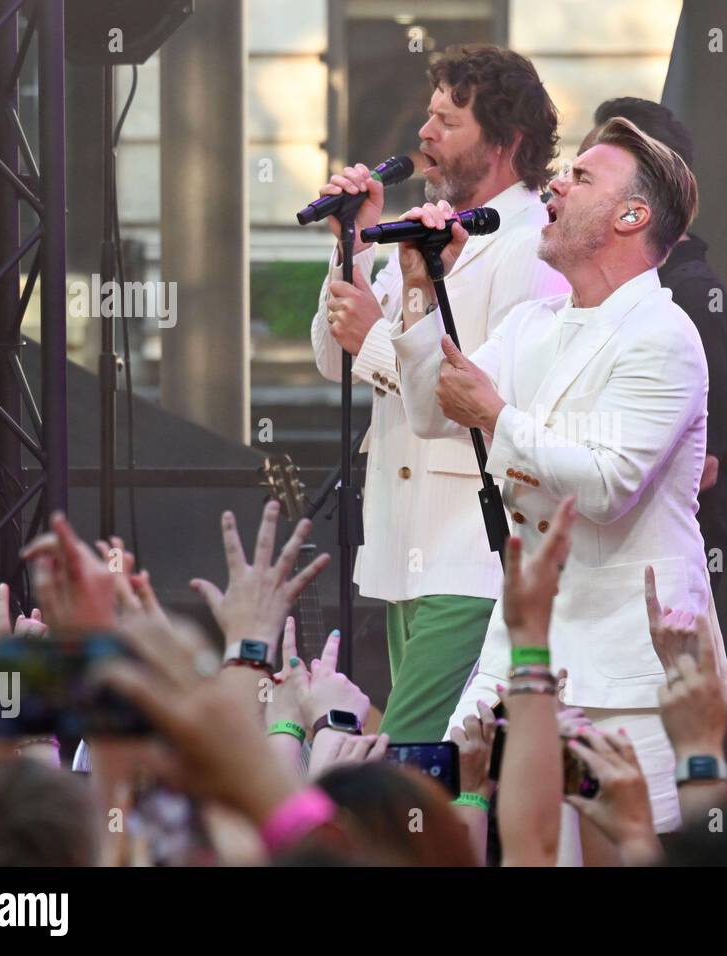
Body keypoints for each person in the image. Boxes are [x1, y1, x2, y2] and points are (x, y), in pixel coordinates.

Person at [389, 116, 727, 834]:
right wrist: (423, 289)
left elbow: (606, 490)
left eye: (582, 177)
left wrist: (497, 417)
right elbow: (431, 411)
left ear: (631, 215)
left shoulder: (665, 335)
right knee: (459, 827)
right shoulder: (535, 322)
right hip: (521, 647)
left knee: (622, 852)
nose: (556, 181)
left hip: (630, 668)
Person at [310, 44, 568, 742]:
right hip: (403, 544)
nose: (423, 134)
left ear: (505, 143)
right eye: (428, 116)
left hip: (474, 549)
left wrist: (372, 340)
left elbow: (484, 398)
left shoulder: (533, 245)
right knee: (439, 770)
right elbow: (333, 359)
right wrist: (353, 246)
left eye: (446, 121)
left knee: (408, 751)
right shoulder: (423, 229)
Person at [581, 98, 727, 593]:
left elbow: (707, 465)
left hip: (656, 574)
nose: (565, 185)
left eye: (592, 173)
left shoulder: (691, 295)